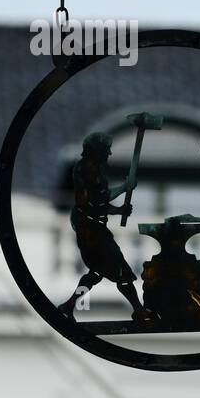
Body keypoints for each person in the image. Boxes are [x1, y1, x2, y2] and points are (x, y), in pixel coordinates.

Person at [58, 131, 155, 321]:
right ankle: (138, 310)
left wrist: (118, 210)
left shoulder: (92, 169)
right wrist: (124, 187)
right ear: (97, 150)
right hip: (91, 231)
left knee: (95, 273)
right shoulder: (87, 169)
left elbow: (98, 203)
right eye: (106, 150)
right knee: (121, 272)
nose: (109, 154)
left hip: (93, 228)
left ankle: (68, 306)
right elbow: (94, 201)